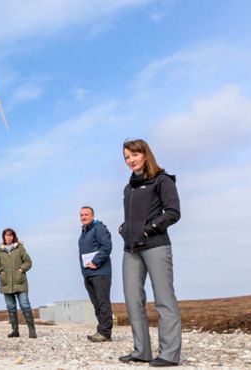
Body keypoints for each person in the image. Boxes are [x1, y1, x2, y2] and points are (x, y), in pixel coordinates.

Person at [119, 139, 182, 367]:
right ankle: (141, 350)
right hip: (131, 249)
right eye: (126, 157)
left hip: (156, 245)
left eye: (134, 155)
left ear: (145, 154)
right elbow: (129, 218)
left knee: (164, 299)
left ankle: (169, 354)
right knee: (132, 298)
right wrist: (123, 229)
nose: (131, 160)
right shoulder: (128, 188)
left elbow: (173, 212)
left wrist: (149, 229)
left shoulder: (162, 180)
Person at [0, 228, 36, 339]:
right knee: (11, 307)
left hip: (20, 282)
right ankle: (15, 331)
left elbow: (28, 262)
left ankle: (32, 331)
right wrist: (1, 272)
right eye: (7, 235)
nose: (9, 237)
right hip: (6, 283)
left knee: (25, 305)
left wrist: (22, 269)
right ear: (4, 237)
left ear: (13, 237)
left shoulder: (19, 248)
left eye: (10, 235)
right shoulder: (0, 251)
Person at [78, 206, 113, 343]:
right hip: (88, 274)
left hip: (100, 272)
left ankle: (105, 332)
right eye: (81, 215)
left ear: (93, 216)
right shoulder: (85, 231)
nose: (83, 217)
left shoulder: (99, 228)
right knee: (96, 304)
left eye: (86, 214)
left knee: (103, 302)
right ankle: (101, 331)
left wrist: (96, 262)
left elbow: (107, 247)